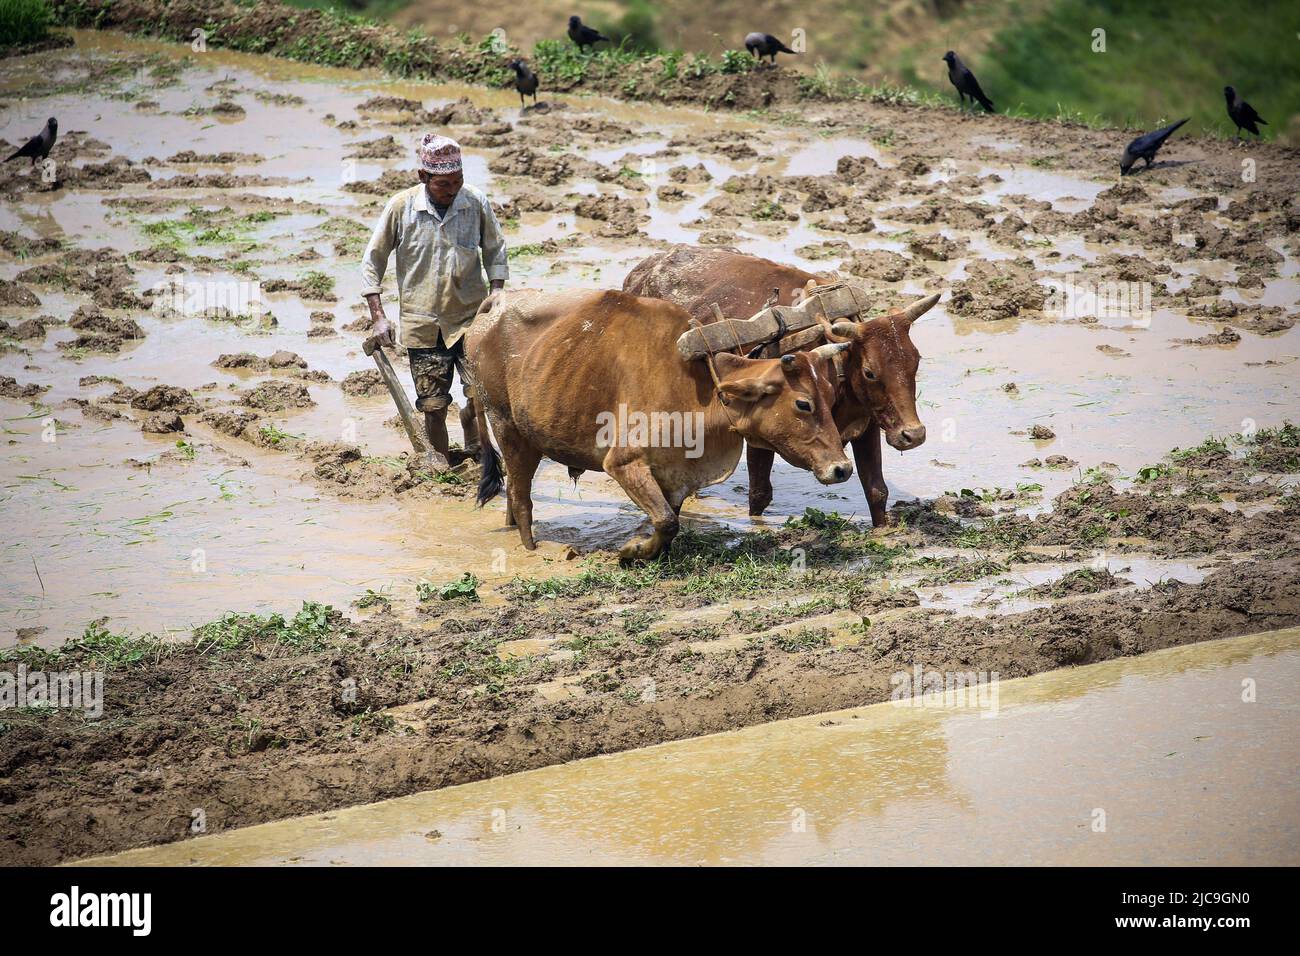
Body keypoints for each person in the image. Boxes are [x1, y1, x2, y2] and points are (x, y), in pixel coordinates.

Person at [361, 133, 508, 467]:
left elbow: (496, 250)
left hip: (472, 321)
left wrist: (497, 293)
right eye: (444, 184)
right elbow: (372, 263)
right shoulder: (401, 208)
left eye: (458, 181)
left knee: (482, 396)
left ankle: (477, 446)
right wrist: (378, 316)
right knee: (434, 405)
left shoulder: (475, 202)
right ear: (423, 177)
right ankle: (445, 467)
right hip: (423, 325)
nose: (453, 190)